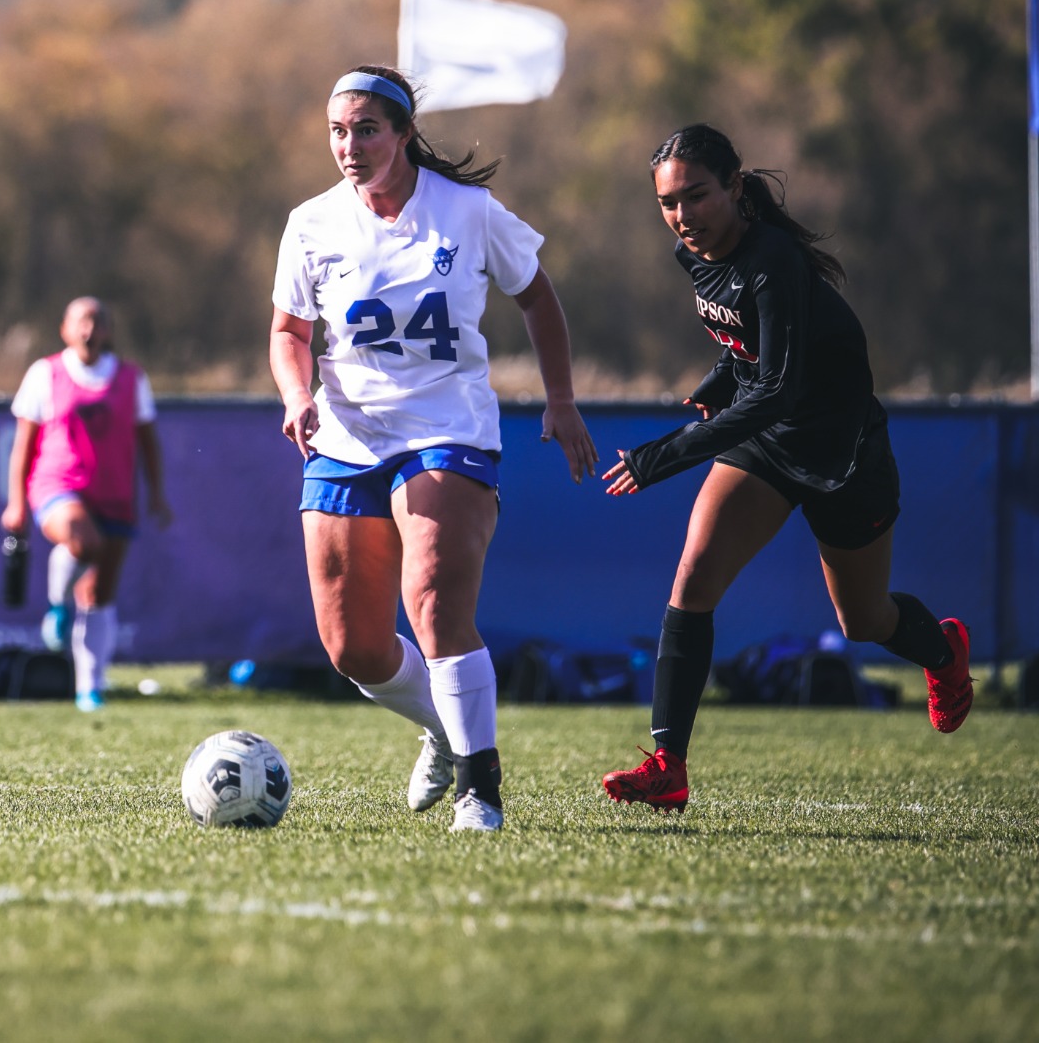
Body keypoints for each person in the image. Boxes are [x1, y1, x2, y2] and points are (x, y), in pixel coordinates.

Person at [598, 125, 972, 812]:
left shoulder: (773, 260)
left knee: (862, 620)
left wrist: (664, 455)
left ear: (736, 187)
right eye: (668, 202)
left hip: (840, 457)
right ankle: (668, 764)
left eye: (697, 195)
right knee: (693, 577)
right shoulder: (695, 254)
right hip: (766, 445)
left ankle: (944, 652)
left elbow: (778, 389)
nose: (683, 216)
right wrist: (718, 380)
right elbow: (750, 351)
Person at [269, 66, 597, 834]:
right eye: (337, 131)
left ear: (405, 133)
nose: (348, 146)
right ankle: (444, 728)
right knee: (354, 648)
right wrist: (296, 393)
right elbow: (289, 332)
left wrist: (561, 397)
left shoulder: (469, 212)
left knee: (436, 602)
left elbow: (537, 295)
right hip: (346, 439)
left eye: (367, 130)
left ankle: (480, 792)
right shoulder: (311, 222)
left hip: (447, 429)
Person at [1, 297, 171, 711]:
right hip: (57, 485)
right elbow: (24, 445)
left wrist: (157, 493)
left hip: (114, 493)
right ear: (65, 329)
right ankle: (56, 604)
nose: (88, 330)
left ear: (108, 331)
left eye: (96, 322)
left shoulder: (131, 378)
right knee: (82, 540)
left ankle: (88, 687)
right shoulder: (46, 373)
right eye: (81, 322)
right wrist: (15, 501)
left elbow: (148, 441)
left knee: (100, 596)